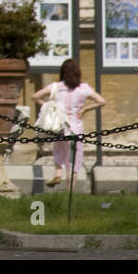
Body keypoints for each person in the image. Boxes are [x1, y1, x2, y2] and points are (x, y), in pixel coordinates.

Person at [33, 58, 106, 186]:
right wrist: (85, 109)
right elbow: (101, 101)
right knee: (73, 161)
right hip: (75, 127)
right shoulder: (83, 88)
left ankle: (57, 174)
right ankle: (69, 190)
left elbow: (35, 96)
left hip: (60, 126)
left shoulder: (56, 87)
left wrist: (49, 106)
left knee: (58, 151)